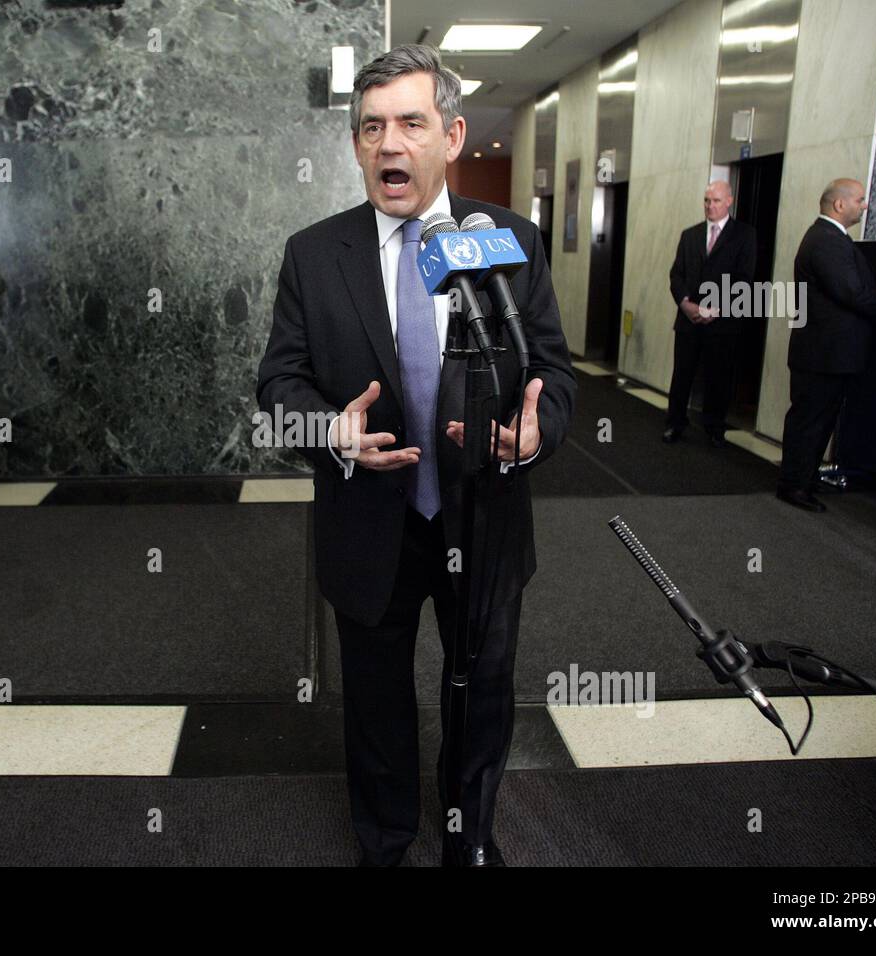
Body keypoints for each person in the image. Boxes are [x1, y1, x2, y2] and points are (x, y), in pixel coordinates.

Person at [256, 44, 575, 866]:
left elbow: (553, 372)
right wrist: (331, 432)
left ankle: (471, 832)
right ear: (356, 144)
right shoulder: (313, 254)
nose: (389, 145)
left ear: (452, 134)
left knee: (483, 689)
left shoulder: (510, 241)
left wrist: (534, 434)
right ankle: (387, 836)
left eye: (410, 123)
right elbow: (279, 387)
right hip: (370, 521)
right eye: (371, 128)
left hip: (485, 513)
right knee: (376, 697)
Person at [777, 179, 876, 513]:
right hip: (823, 353)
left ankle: (803, 478)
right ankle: (794, 485)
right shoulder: (826, 241)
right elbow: (850, 293)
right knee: (810, 419)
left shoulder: (831, 238)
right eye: (860, 200)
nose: (864, 205)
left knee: (819, 419)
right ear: (839, 205)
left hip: (828, 353)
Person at [664, 180, 757, 447]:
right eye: (706, 201)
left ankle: (714, 427)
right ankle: (675, 423)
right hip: (688, 320)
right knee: (682, 374)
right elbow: (676, 274)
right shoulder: (690, 235)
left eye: (715, 201)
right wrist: (686, 304)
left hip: (723, 322)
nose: (710, 206)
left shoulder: (744, 235)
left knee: (719, 376)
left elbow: (744, 279)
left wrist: (716, 309)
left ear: (729, 201)